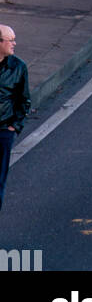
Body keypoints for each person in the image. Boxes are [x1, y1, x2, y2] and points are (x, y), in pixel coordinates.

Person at [0, 25, 30, 213]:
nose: (14, 43)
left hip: (3, 131)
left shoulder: (18, 67)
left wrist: (14, 127)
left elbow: (24, 100)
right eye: (10, 40)